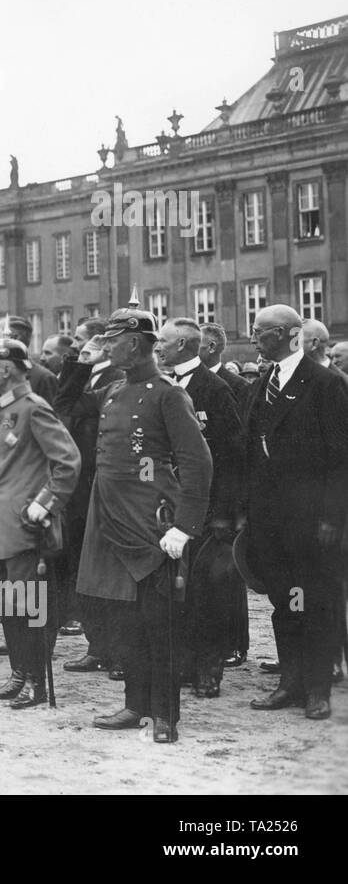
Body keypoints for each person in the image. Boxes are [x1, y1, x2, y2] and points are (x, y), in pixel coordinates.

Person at [76, 304, 212, 743]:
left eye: (111, 340)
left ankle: (165, 715)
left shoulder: (168, 394)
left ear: (134, 342)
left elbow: (197, 462)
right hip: (113, 519)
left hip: (153, 525)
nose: (104, 347)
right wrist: (74, 366)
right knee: (125, 621)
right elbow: (66, 407)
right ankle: (136, 705)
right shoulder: (114, 391)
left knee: (160, 624)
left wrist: (185, 526)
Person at [243, 305, 348, 721]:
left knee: (316, 600)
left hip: (312, 517)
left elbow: (341, 457)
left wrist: (331, 517)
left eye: (261, 332)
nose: (254, 339)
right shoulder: (262, 383)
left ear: (288, 334)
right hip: (270, 517)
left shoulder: (325, 383)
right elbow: (251, 450)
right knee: (284, 599)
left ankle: (318, 687)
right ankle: (290, 681)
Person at [0, 339, 80, 708]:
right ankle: (18, 674)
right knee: (7, 603)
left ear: (9, 368)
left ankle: (35, 680)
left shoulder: (33, 409)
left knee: (27, 605)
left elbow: (68, 462)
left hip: (24, 523)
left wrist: (45, 505)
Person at [155, 318, 244, 696]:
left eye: (163, 342)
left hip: (209, 510)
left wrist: (226, 513)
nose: (157, 348)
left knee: (209, 593)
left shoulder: (215, 388)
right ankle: (185, 664)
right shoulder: (162, 387)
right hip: (171, 506)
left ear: (184, 346)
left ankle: (210, 668)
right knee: (177, 591)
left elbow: (234, 456)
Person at [54, 319, 125, 674]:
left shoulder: (119, 378)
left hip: (107, 484)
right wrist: (80, 365)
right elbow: (64, 402)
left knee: (109, 571)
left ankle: (116, 649)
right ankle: (98, 646)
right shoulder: (95, 376)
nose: (78, 350)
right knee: (87, 569)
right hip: (82, 487)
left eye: (85, 345)